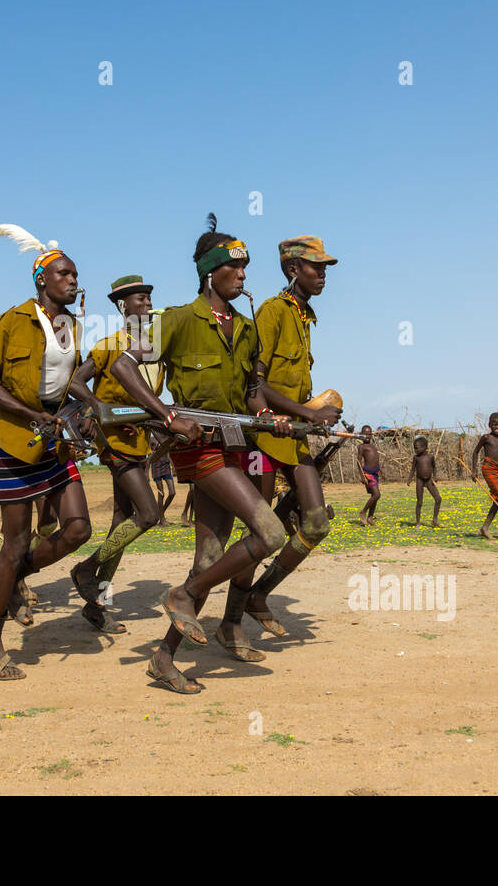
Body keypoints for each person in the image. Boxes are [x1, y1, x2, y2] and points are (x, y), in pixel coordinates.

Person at [110, 215, 294, 692]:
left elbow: (253, 392)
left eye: (246, 267)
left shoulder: (247, 329)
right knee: (270, 530)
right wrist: (168, 416)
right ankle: (184, 594)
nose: (244, 275)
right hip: (197, 450)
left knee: (210, 557)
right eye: (236, 267)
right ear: (211, 271)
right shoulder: (173, 320)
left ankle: (164, 658)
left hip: (235, 448)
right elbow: (124, 365)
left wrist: (270, 415)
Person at [0, 224, 95, 680]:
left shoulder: (75, 326)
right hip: (12, 442)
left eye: (76, 273)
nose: (72, 280)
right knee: (16, 540)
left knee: (78, 529)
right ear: (42, 280)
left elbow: (73, 386)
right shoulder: (13, 320)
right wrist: (30, 414)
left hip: (55, 440)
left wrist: (76, 413)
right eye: (64, 274)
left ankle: (14, 575)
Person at [241, 235, 341, 639]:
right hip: (264, 436)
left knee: (316, 523)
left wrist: (313, 412)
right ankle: (231, 623)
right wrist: (307, 412)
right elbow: (256, 382)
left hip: (293, 438)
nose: (323, 275)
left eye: (325, 269)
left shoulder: (304, 316)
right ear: (292, 269)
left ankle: (258, 595)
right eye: (317, 267)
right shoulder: (272, 311)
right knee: (260, 532)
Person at [66, 274, 164, 632]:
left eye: (149, 299)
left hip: (138, 440)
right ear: (124, 306)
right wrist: (100, 408)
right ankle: (84, 569)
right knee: (149, 514)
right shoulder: (108, 345)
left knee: (121, 523)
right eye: (141, 299)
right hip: (113, 441)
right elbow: (76, 382)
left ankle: (97, 605)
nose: (149, 305)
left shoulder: (152, 349)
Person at [406, 437, 442, 527]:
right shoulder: (416, 458)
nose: (415, 450)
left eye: (416, 448)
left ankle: (435, 520)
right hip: (419, 480)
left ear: (424, 447)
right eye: (414, 448)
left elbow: (434, 467)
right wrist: (409, 479)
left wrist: (435, 476)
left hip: (429, 480)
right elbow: (412, 469)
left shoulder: (430, 457)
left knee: (438, 499)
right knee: (419, 502)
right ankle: (418, 522)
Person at [356, 426, 381, 525]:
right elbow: (358, 461)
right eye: (365, 434)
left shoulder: (373, 446)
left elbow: (375, 460)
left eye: (369, 434)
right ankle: (363, 512)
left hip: (375, 474)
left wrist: (381, 471)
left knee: (374, 496)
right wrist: (362, 475)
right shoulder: (362, 447)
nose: (367, 436)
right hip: (368, 474)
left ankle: (370, 517)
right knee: (377, 495)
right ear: (361, 434)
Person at [151, 447, 176, 525]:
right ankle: (162, 519)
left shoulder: (166, 436)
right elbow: (148, 454)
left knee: (172, 493)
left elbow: (169, 451)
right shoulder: (151, 437)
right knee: (161, 493)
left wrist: (173, 466)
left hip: (166, 465)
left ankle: (160, 514)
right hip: (156, 466)